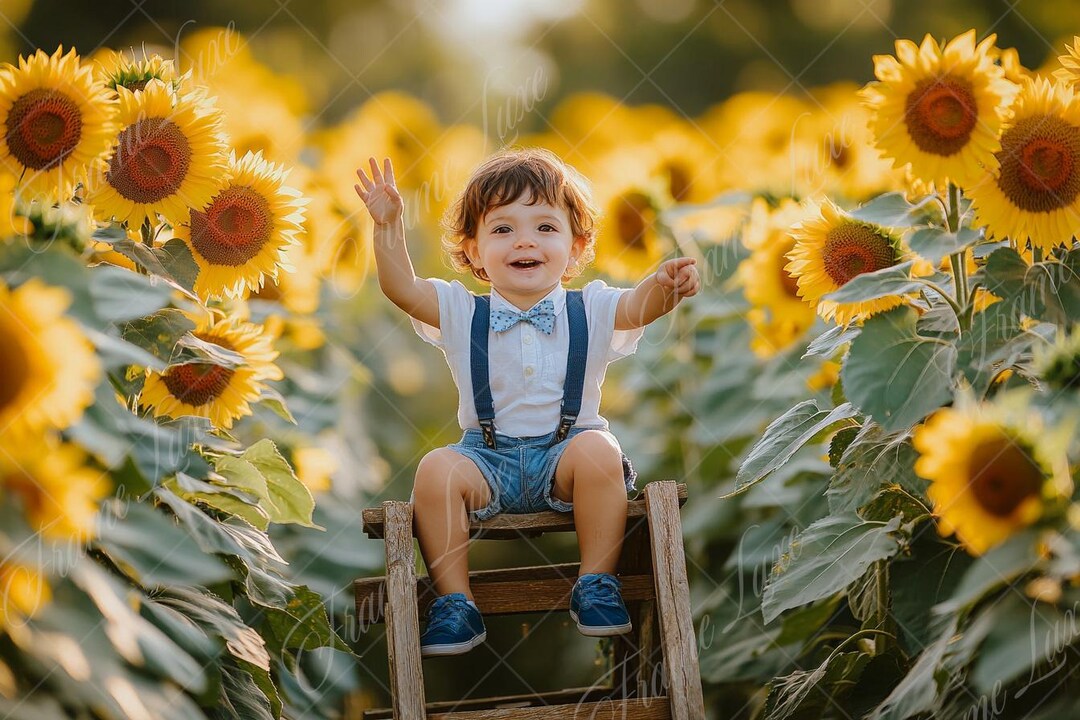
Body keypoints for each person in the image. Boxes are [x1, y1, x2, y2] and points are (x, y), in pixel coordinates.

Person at [354, 148, 700, 656]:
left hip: (566, 458)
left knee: (600, 450)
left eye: (545, 227)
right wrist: (388, 225)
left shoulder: (591, 307)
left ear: (575, 248)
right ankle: (455, 604)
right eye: (502, 229)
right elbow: (401, 287)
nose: (524, 241)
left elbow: (635, 307)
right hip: (485, 460)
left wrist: (664, 287)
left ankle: (595, 584)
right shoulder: (461, 311)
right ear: (473, 251)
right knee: (434, 469)